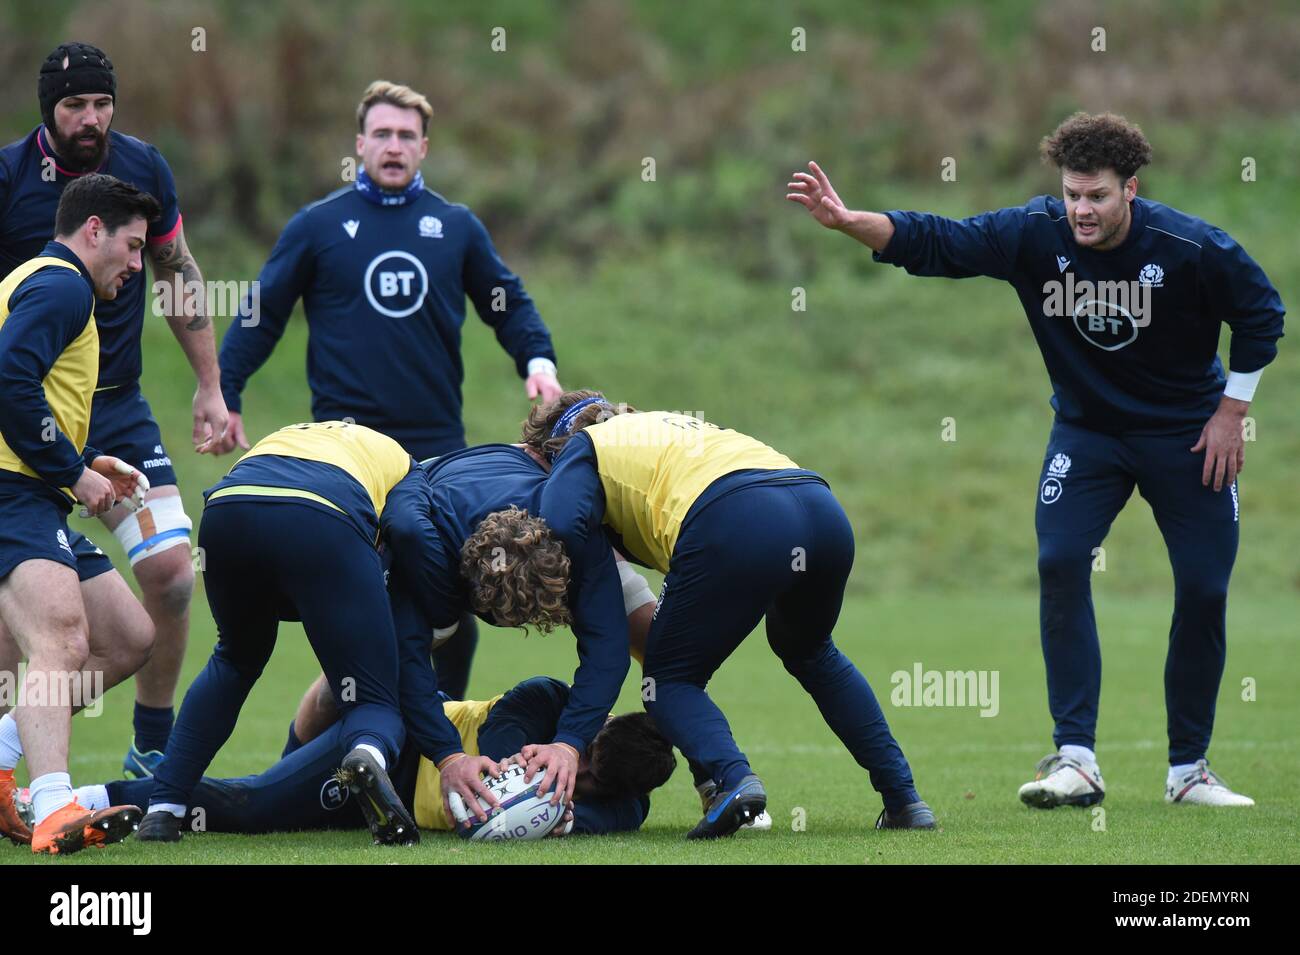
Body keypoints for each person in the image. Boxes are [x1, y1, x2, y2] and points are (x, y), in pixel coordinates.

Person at [787, 111, 1285, 808]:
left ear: (1130, 190)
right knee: (1059, 560)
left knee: (1203, 588)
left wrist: (1233, 413)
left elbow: (1262, 312)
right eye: (1073, 194)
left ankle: (1189, 771)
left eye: (1098, 196)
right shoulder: (1035, 234)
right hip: (1089, 435)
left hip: (1186, 434)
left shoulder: (1190, 246)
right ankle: (1076, 760)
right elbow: (939, 241)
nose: (1083, 209)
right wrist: (847, 222)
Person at [214, 80, 564, 702]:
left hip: (436, 447)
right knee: (364, 599)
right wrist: (225, 390)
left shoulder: (455, 228)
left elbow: (507, 304)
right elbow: (261, 312)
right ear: (360, 144)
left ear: (424, 147)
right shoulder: (320, 226)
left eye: (406, 136)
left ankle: (445, 728)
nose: (394, 146)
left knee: (456, 591)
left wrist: (537, 362)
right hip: (348, 453)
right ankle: (352, 735)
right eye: (382, 134)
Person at [525, 392, 935, 838]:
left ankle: (734, 781)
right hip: (821, 509)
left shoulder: (582, 448)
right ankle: (904, 801)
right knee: (812, 652)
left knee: (667, 681)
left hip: (740, 519)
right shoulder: (665, 427)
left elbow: (560, 523)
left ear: (554, 449)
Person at [0, 42, 229, 779]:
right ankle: (25, 768)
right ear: (48, 110)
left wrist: (210, 386)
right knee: (28, 629)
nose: (91, 120)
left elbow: (178, 272)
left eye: (103, 104)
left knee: (172, 575)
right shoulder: (9, 178)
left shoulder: (143, 168)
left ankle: (150, 742)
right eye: (75, 106)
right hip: (23, 410)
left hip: (116, 412)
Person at [134, 420, 484, 846]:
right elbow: (409, 530)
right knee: (373, 698)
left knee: (234, 659)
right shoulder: (407, 467)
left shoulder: (297, 433)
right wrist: (441, 609)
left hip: (226, 511)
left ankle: (163, 808)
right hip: (321, 518)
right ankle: (366, 756)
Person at [0, 173, 155, 853]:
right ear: (94, 230)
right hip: (13, 490)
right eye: (133, 244)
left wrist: (89, 456)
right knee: (61, 640)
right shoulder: (63, 285)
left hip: (33, 486)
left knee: (126, 633)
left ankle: (4, 754)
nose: (137, 263)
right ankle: (55, 803)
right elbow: (6, 377)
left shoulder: (48, 283)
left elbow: (30, 391)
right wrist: (72, 472)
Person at [31, 678, 675, 840]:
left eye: (590, 782)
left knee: (283, 808)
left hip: (392, 818)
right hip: (393, 755)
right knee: (250, 805)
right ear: (600, 724)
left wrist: (567, 815)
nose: (576, 774)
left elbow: (602, 818)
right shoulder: (550, 701)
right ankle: (77, 801)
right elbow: (504, 735)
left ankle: (309, 725)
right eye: (584, 755)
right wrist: (529, 765)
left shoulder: (625, 801)